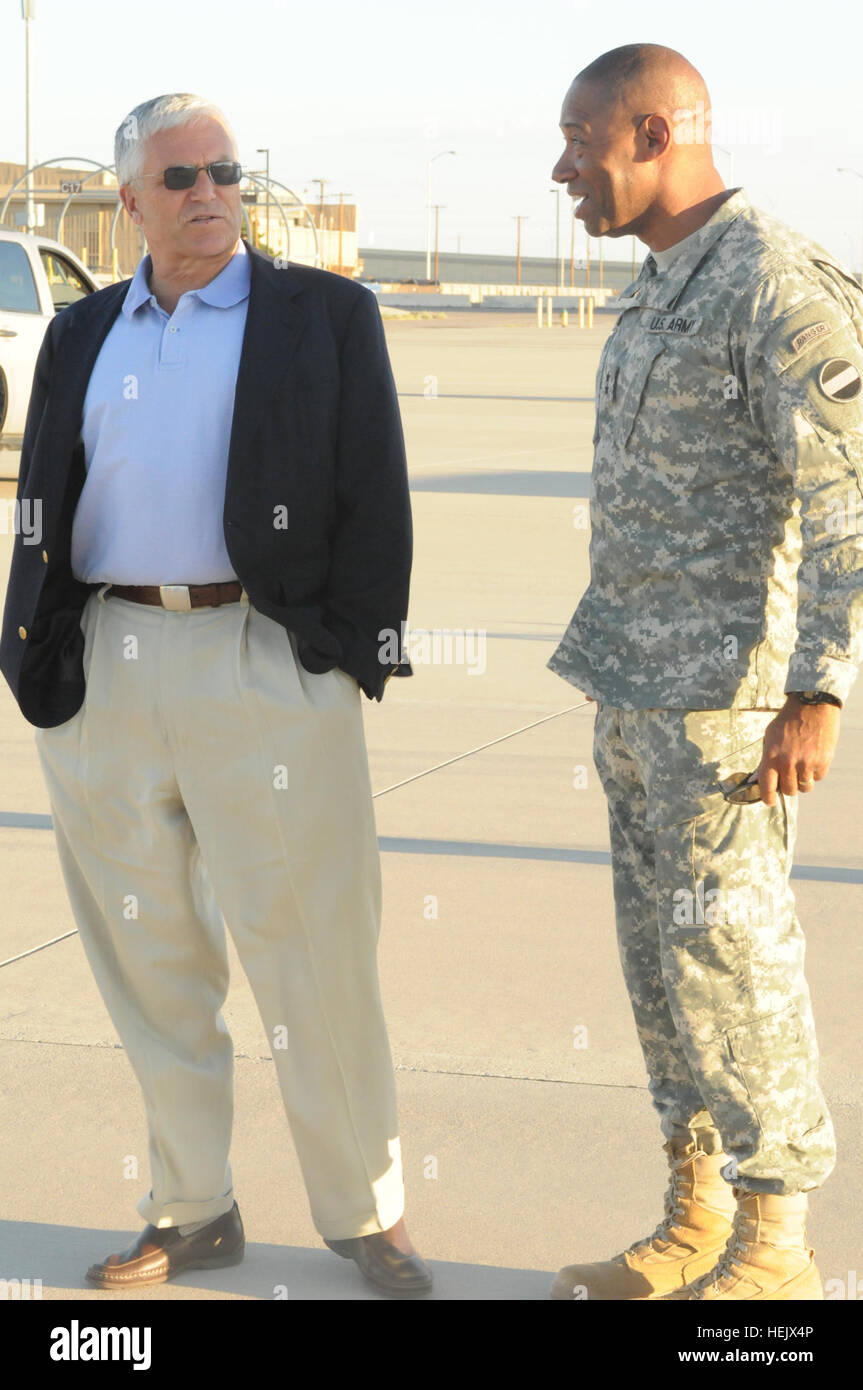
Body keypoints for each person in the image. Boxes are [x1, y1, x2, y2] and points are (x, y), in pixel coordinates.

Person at [0, 92, 432, 1298]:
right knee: (151, 961)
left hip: (261, 655)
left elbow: (374, 492)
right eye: (180, 177)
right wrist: (30, 644)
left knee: (314, 955)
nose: (208, 193)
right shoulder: (85, 330)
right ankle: (190, 1207)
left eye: (225, 173)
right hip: (107, 662)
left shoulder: (322, 315)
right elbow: (45, 490)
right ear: (129, 201)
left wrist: (349, 655)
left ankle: (367, 1212)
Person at [546, 44, 863, 1301]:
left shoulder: (774, 287)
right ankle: (693, 1216)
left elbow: (849, 499)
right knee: (662, 971)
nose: (562, 165)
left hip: (730, 711)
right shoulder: (661, 284)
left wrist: (820, 685)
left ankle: (775, 1250)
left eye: (580, 139)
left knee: (734, 965)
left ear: (655, 133)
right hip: (635, 690)